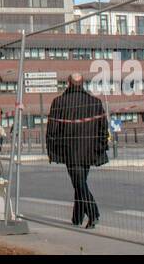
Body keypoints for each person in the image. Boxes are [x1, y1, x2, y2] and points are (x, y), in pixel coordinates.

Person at [45, 74, 108, 229]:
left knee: (79, 183)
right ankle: (77, 217)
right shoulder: (95, 102)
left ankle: (93, 214)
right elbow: (103, 128)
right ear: (83, 84)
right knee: (80, 182)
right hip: (89, 150)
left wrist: (52, 149)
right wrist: (100, 147)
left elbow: (52, 129)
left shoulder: (59, 102)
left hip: (69, 151)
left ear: (68, 83)